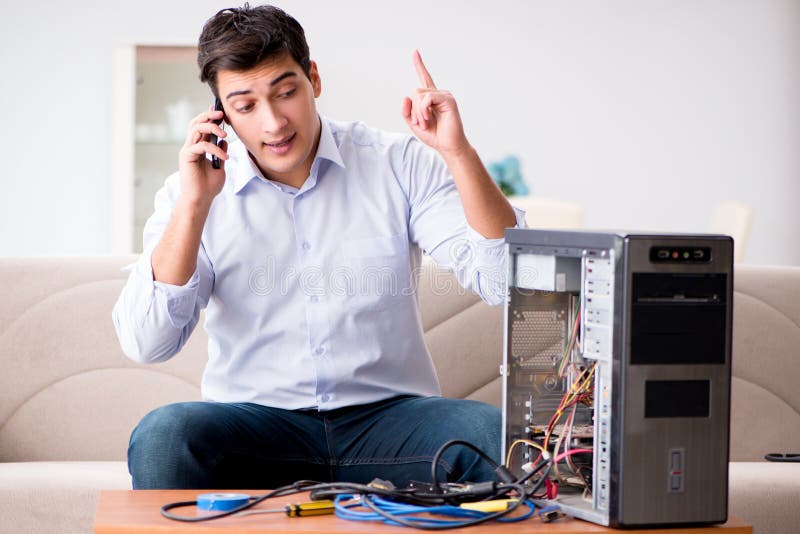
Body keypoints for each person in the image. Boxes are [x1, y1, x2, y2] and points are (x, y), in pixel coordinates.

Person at [113, 4, 525, 490]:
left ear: (314, 79)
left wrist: (458, 153)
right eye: (246, 106)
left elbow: (507, 283)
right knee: (164, 437)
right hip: (258, 425)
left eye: (286, 93)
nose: (273, 124)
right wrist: (194, 206)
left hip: (389, 423)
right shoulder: (189, 192)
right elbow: (147, 342)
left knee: (495, 437)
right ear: (220, 114)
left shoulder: (396, 163)